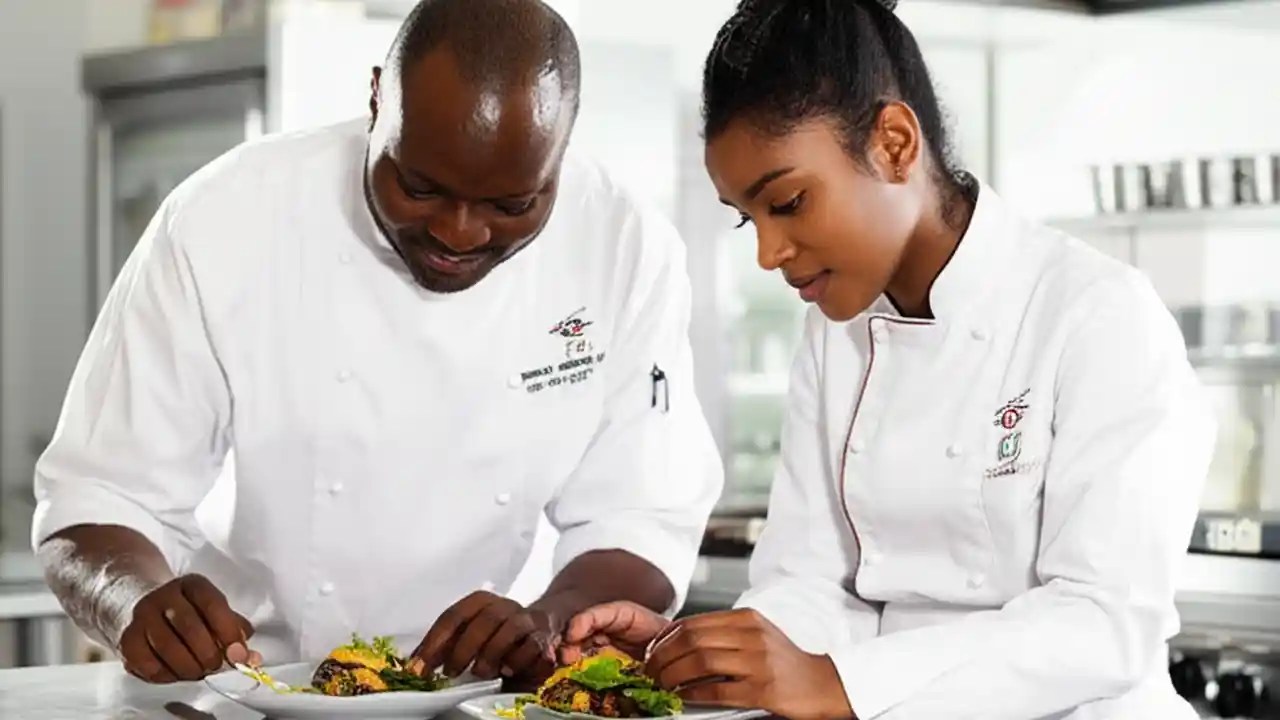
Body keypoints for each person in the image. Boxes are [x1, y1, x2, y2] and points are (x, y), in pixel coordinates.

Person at [32, 0, 722, 686]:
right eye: (419, 186)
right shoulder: (223, 220)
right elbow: (102, 495)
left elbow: (640, 513)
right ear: (375, 100)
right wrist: (136, 605)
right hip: (246, 688)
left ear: (563, 150)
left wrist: (549, 620)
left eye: (510, 206)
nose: (459, 233)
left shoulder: (625, 247)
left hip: (486, 696)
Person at [561, 1, 1215, 718]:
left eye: (789, 201)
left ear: (895, 144)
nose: (768, 252)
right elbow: (809, 584)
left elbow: (1103, 624)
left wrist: (836, 683)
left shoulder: (1096, 313)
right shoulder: (836, 330)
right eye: (747, 217)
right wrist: (703, 658)